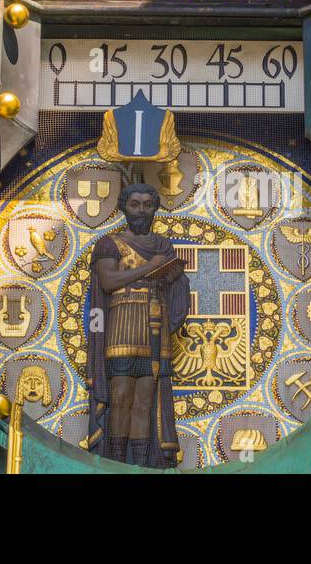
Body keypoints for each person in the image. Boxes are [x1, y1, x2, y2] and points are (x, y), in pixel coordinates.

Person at [85, 183, 190, 467]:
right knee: (121, 395)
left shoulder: (162, 245)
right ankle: (117, 463)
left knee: (146, 398)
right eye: (135, 204)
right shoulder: (109, 244)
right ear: (124, 207)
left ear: (155, 208)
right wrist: (150, 267)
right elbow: (108, 282)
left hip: (155, 322)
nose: (141, 210)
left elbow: (171, 282)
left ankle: (141, 466)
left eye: (147, 204)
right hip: (123, 324)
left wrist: (173, 276)